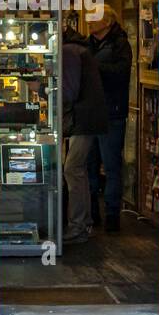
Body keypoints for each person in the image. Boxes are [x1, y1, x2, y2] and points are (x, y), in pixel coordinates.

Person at [60, 16, 108, 245]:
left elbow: (69, 91)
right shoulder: (79, 49)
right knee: (77, 169)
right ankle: (84, 222)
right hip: (88, 117)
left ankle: (77, 226)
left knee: (72, 169)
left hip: (84, 118)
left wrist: (44, 90)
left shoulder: (69, 52)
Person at [88, 5, 132, 233]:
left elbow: (122, 73)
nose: (89, 20)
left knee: (111, 163)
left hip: (112, 112)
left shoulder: (119, 44)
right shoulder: (89, 43)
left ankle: (112, 214)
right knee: (90, 164)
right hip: (91, 112)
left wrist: (95, 67)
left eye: (94, 17)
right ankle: (93, 213)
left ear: (108, 21)